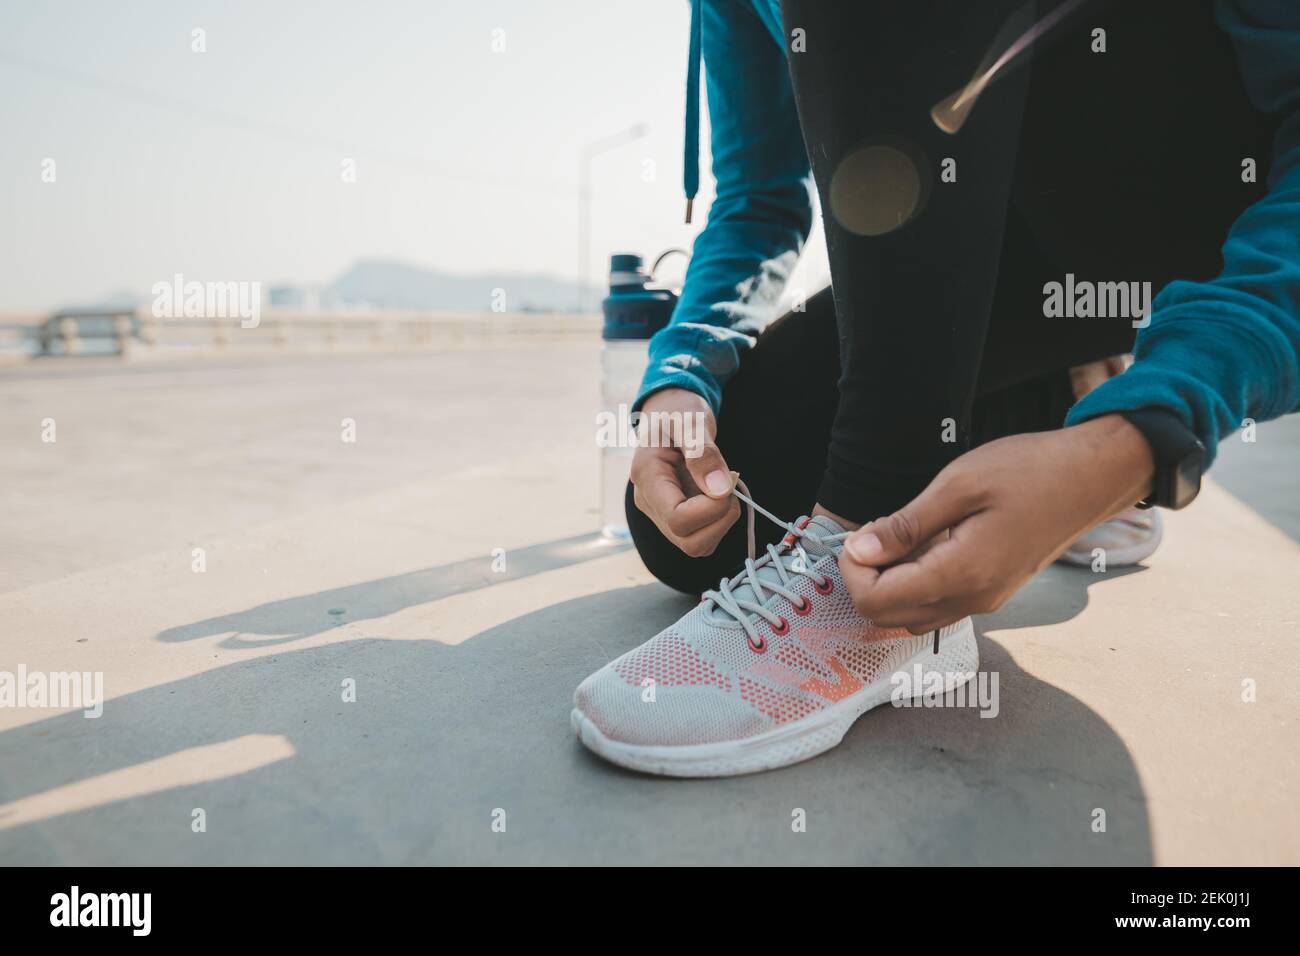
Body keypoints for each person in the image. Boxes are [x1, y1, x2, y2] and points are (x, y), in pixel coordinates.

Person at [570, 0, 1300, 777]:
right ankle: (1060, 392)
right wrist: (681, 378)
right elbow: (757, 199)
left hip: (1181, 209)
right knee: (686, 533)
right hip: (962, 259)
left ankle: (872, 555)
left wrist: (1144, 430)